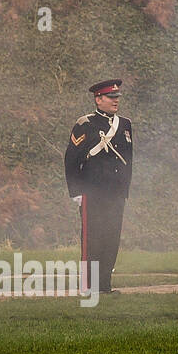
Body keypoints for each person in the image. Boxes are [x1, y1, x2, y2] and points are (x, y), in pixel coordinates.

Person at [64, 79, 133, 294]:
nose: (115, 101)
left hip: (115, 193)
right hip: (92, 192)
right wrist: (76, 193)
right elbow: (71, 160)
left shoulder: (124, 124)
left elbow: (128, 159)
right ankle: (89, 286)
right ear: (98, 99)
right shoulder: (86, 124)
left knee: (111, 238)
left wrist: (124, 191)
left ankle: (104, 285)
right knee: (93, 239)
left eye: (117, 98)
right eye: (111, 98)